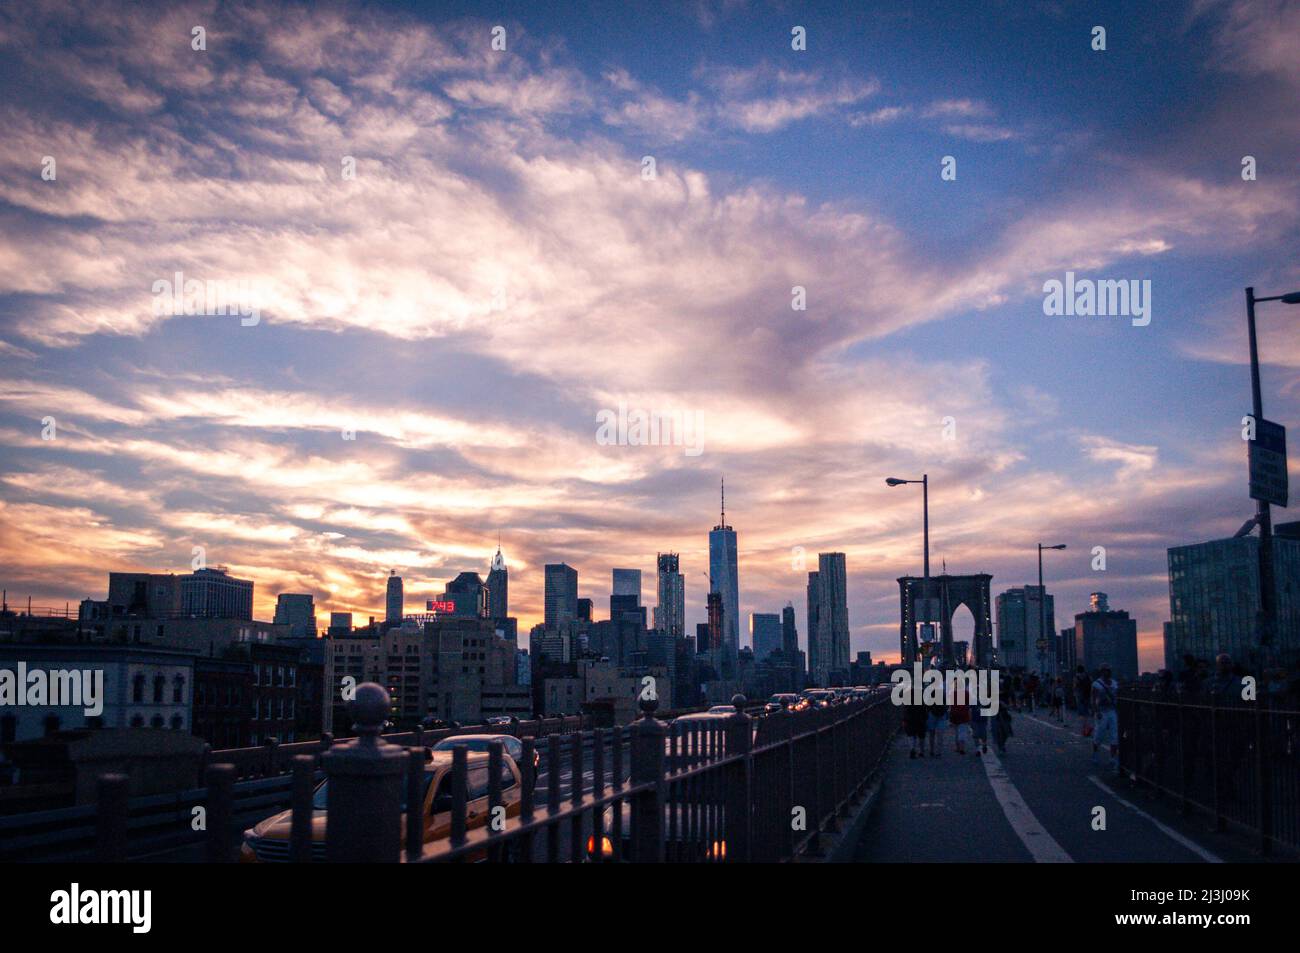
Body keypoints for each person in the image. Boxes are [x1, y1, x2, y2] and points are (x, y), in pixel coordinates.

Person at [1091, 664, 1119, 774]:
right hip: (1102, 712)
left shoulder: (1115, 683)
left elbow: (1117, 697)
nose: (1107, 673)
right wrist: (1096, 711)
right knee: (1099, 734)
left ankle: (1112, 758)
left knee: (1114, 735)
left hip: (1112, 711)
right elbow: (1093, 699)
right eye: (1105, 671)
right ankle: (1095, 753)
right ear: (1102, 672)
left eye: (1108, 671)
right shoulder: (1097, 684)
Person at [949, 688, 972, 755]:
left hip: (955, 714)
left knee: (957, 732)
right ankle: (962, 748)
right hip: (964, 714)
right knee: (962, 732)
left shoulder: (953, 693)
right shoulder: (966, 693)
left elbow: (951, 705)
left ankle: (958, 748)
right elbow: (969, 704)